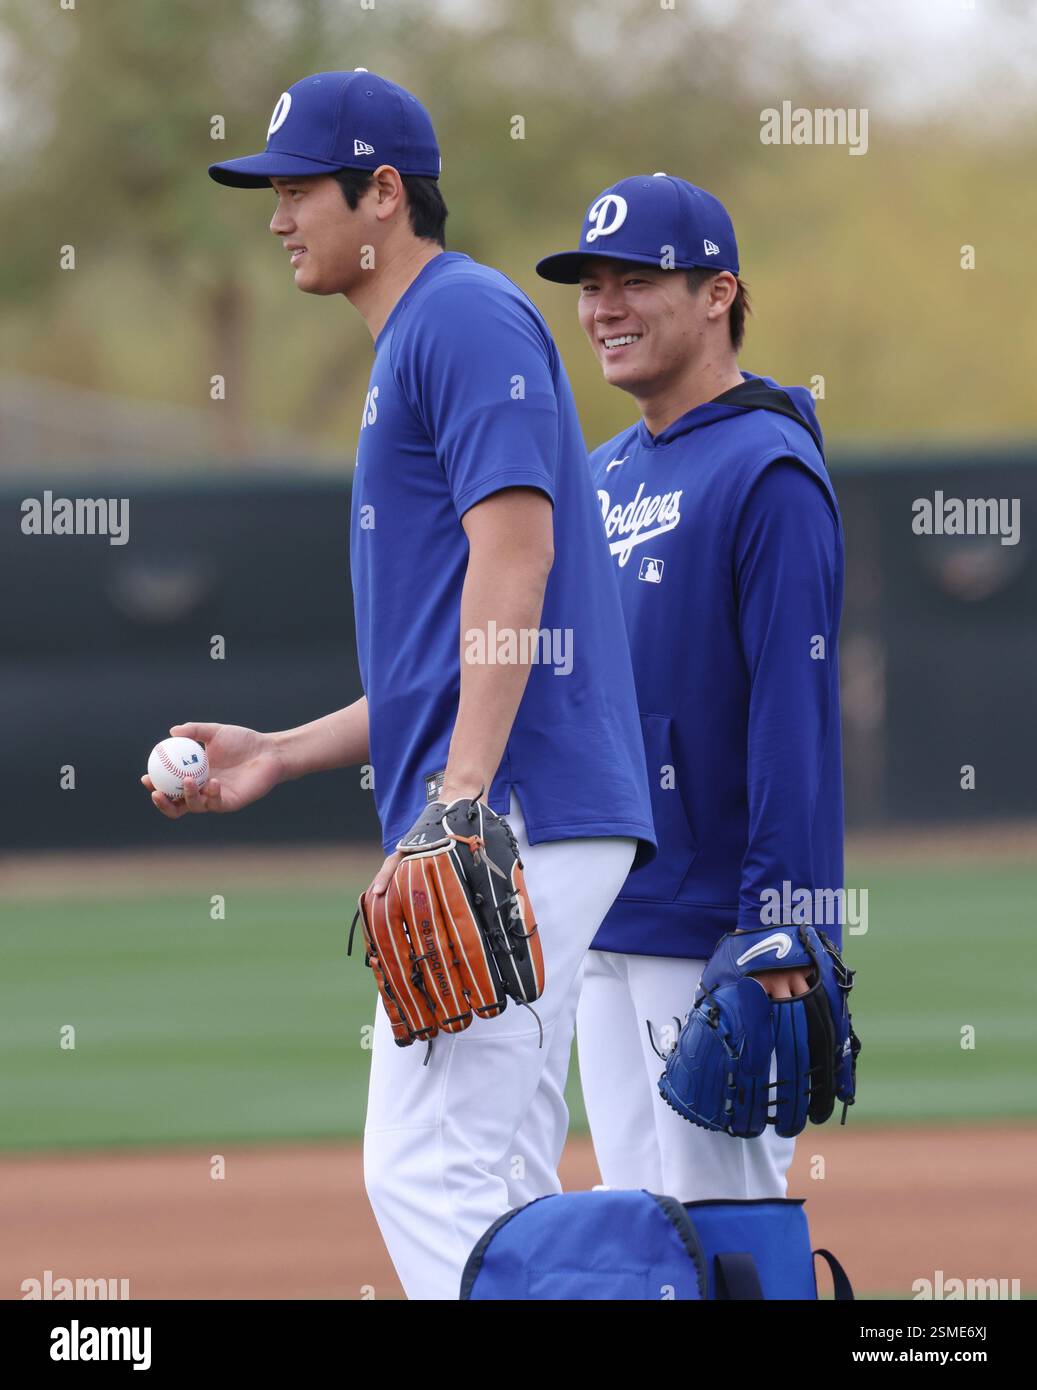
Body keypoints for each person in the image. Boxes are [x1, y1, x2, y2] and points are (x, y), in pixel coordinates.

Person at [142, 73, 655, 1300]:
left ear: (384, 193)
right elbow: (451, 658)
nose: (276, 215)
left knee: (423, 1171)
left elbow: (514, 557)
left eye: (299, 187)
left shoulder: (459, 318)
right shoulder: (422, 337)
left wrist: (462, 795)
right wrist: (281, 748)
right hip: (519, 808)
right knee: (501, 1173)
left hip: (514, 810)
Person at [535, 174, 846, 1201]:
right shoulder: (601, 472)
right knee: (644, 1228)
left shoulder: (767, 470)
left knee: (725, 1222)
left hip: (713, 927)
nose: (603, 307)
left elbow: (792, 719)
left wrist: (783, 920)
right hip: (607, 909)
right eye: (589, 283)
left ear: (718, 294)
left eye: (636, 280)